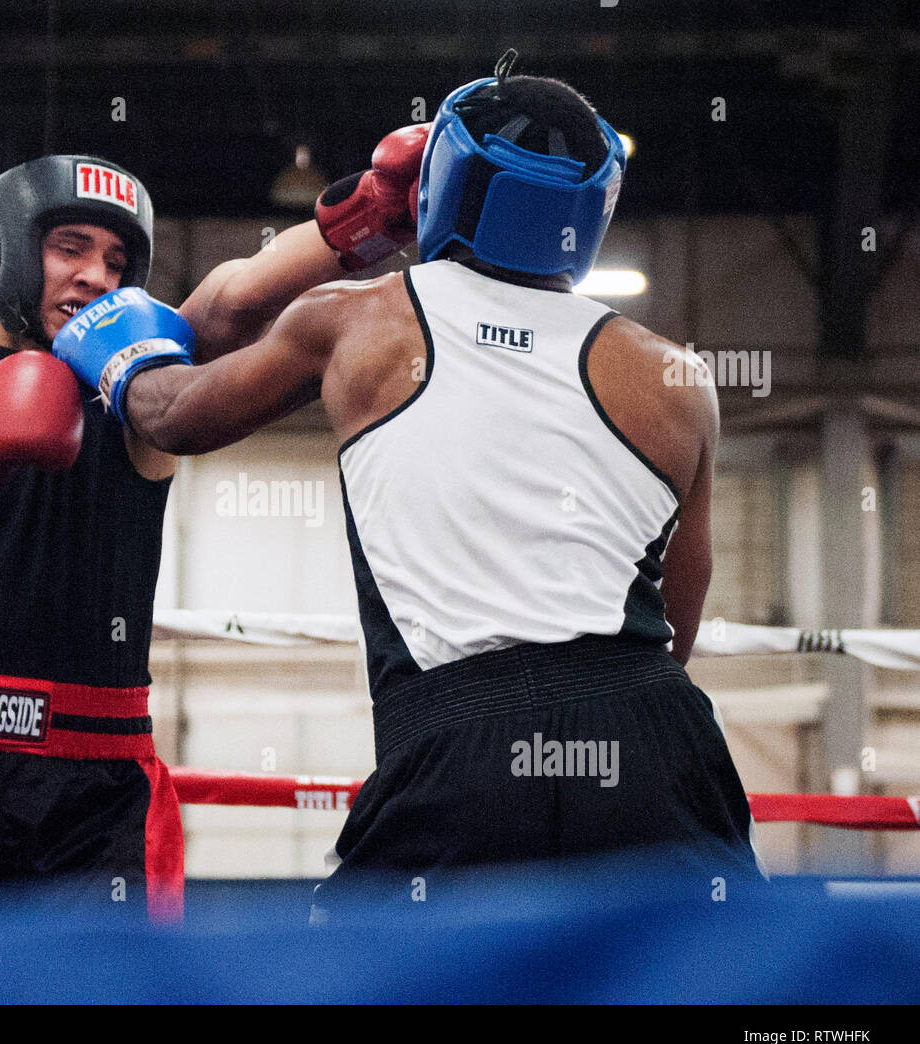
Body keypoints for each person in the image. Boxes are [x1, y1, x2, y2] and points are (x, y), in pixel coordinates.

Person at [54, 55, 763, 914]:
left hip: (462, 748)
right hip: (658, 744)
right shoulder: (679, 380)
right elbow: (677, 631)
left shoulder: (360, 317)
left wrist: (115, 351)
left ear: (444, 181)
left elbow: (174, 415)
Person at [0, 141, 427, 925]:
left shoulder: (134, 386)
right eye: (70, 248)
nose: (96, 277)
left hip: (92, 798)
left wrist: (371, 216)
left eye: (115, 261)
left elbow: (234, 299)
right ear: (1, 250)